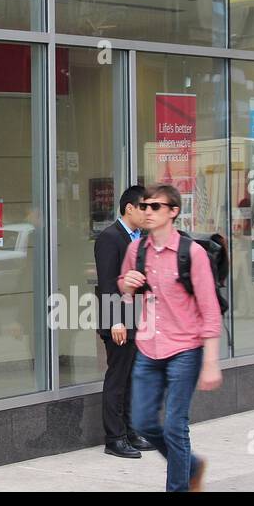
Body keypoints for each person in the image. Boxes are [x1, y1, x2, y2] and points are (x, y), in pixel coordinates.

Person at [118, 184, 223, 492]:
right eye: (144, 206)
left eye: (155, 207)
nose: (147, 212)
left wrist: (211, 362)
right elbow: (125, 293)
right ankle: (192, 466)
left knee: (176, 426)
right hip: (148, 349)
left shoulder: (192, 254)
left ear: (173, 212)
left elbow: (210, 310)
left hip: (185, 350)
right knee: (143, 422)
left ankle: (178, 487)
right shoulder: (135, 251)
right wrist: (128, 285)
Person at [94, 185, 151, 458]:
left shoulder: (142, 237)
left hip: (138, 317)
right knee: (117, 379)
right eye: (144, 207)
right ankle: (114, 438)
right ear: (129, 208)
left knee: (132, 378)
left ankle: (131, 432)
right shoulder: (110, 238)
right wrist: (116, 321)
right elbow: (106, 283)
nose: (148, 212)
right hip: (118, 321)